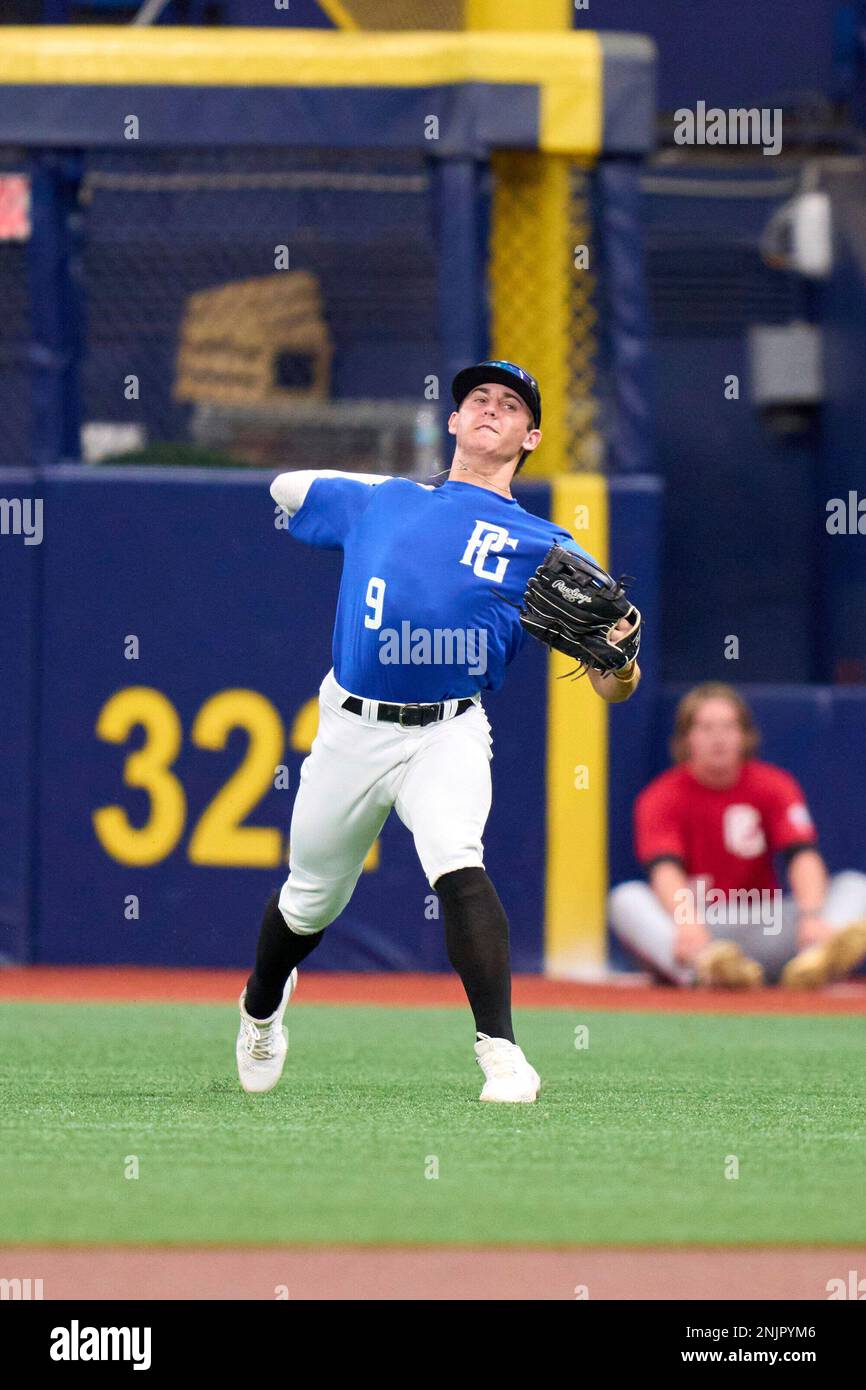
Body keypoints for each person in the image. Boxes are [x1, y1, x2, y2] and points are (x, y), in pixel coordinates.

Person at [236, 360, 641, 1102]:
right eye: (477, 399)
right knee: (310, 901)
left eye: (510, 404)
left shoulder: (545, 546)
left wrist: (619, 658)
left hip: (447, 730)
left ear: (531, 436)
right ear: (452, 422)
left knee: (457, 861)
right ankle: (261, 1006)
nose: (490, 408)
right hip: (351, 729)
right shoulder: (383, 503)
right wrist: (366, 491)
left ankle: (503, 1055)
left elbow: (616, 686)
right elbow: (284, 488)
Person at [608, 682, 866, 987]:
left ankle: (814, 959)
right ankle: (703, 971)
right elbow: (664, 869)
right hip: (702, 926)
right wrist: (688, 922)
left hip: (766, 922)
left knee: (855, 886)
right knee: (626, 899)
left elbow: (802, 856)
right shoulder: (660, 797)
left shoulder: (775, 785)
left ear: (745, 736)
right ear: (686, 737)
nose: (718, 738)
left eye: (729, 727)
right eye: (706, 728)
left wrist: (811, 916)